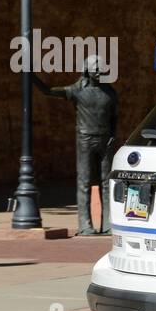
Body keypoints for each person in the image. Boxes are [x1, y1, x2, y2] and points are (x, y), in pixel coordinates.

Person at [34, 55, 118, 235]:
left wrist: (113, 135)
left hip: (104, 140)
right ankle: (85, 225)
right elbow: (48, 91)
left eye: (101, 66)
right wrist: (31, 77)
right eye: (95, 66)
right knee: (84, 182)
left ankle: (107, 224)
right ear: (87, 69)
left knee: (106, 182)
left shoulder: (109, 92)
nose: (98, 69)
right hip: (85, 139)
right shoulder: (77, 91)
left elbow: (113, 118)